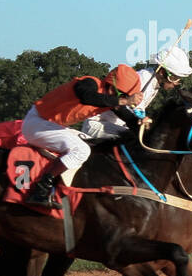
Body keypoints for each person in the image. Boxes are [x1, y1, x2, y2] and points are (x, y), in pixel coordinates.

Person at [20, 64, 145, 209]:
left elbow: (128, 118)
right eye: (123, 96)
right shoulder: (89, 83)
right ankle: (41, 189)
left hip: (49, 125)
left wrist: (141, 123)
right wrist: (125, 101)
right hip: (37, 123)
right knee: (82, 150)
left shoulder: (108, 100)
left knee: (90, 144)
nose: (123, 101)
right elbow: (87, 97)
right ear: (112, 88)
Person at [80, 46, 192, 140]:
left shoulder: (154, 84)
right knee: (137, 139)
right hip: (97, 124)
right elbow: (129, 109)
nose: (176, 83)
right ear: (162, 72)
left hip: (116, 125)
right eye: (175, 77)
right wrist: (141, 117)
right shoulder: (142, 80)